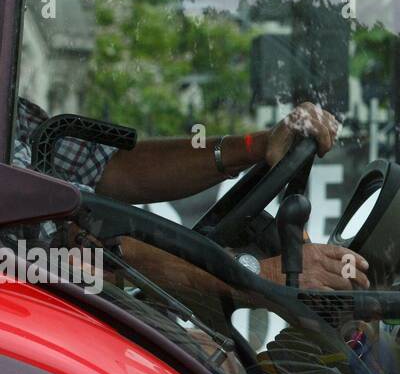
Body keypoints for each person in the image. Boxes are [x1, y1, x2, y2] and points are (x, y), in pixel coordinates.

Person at [11, 98, 368, 291]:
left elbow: (111, 168)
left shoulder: (12, 113)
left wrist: (256, 146)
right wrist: (257, 274)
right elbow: (75, 238)